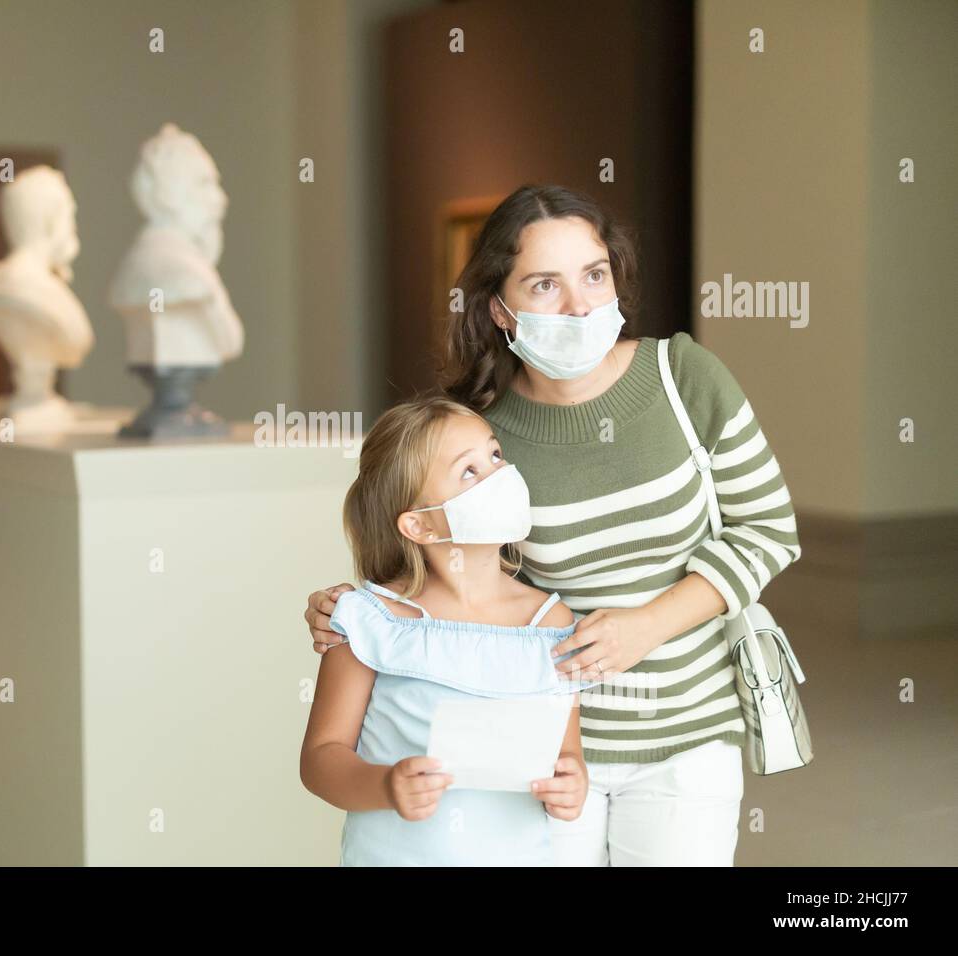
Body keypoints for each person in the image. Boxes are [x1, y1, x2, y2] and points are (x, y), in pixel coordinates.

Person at [305, 184, 801, 866]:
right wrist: (353, 608)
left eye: (594, 275)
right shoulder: (482, 431)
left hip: (686, 735)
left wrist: (647, 625)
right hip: (536, 749)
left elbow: (768, 530)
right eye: (545, 285)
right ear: (500, 309)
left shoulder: (686, 378)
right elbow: (462, 569)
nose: (580, 305)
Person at [300, 397, 601, 866]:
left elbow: (566, 755)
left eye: (495, 455)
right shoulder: (369, 621)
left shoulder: (554, 626)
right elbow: (320, 759)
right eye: (469, 471)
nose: (499, 475)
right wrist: (384, 785)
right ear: (419, 525)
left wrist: (572, 785)